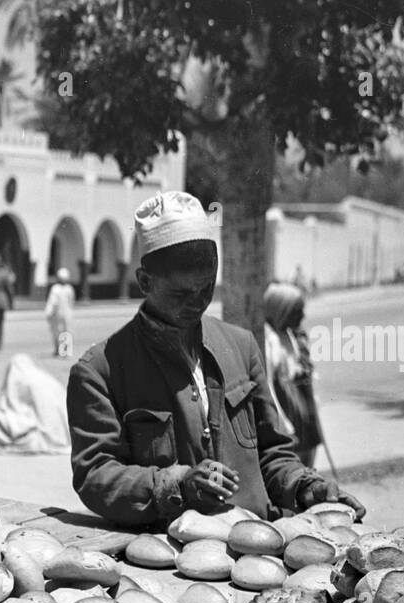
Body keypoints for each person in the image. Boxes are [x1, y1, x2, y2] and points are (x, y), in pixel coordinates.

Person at [67, 190, 364, 528]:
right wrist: (175, 485)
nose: (198, 304)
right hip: (167, 565)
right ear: (144, 282)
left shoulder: (241, 346)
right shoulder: (99, 371)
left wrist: (305, 487)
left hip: (256, 545)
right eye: (181, 294)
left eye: (207, 289)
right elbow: (95, 474)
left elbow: (271, 452)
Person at [262, 282, 323, 467]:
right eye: (296, 311)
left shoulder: (290, 336)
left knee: (308, 462)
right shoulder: (269, 341)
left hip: (301, 413)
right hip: (288, 416)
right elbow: (269, 387)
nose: (302, 316)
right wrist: (282, 423)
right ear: (282, 310)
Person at [44, 267, 76, 357]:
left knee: (58, 331)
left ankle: (59, 350)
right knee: (66, 331)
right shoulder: (69, 288)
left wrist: (48, 312)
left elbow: (52, 302)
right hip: (66, 313)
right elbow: (72, 301)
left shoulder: (55, 288)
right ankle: (65, 351)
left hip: (58, 313)